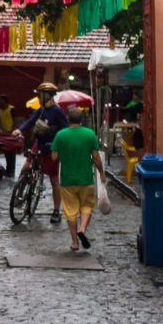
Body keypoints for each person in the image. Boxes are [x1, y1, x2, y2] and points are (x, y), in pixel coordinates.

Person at [49, 107, 105, 252]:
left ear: (68, 119)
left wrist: (63, 154)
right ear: (81, 120)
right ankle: (82, 229)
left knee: (70, 211)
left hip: (67, 180)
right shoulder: (89, 134)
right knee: (87, 207)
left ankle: (74, 242)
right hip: (86, 179)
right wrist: (101, 173)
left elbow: (54, 157)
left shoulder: (60, 135)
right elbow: (97, 158)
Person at [0, 96, 17, 175]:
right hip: (3, 134)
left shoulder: (11, 109)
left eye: (1, 101)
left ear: (6, 102)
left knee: (11, 152)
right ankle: (8, 170)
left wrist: (13, 131)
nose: (0, 103)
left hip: (11, 133)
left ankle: (12, 171)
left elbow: (15, 121)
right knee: (6, 152)